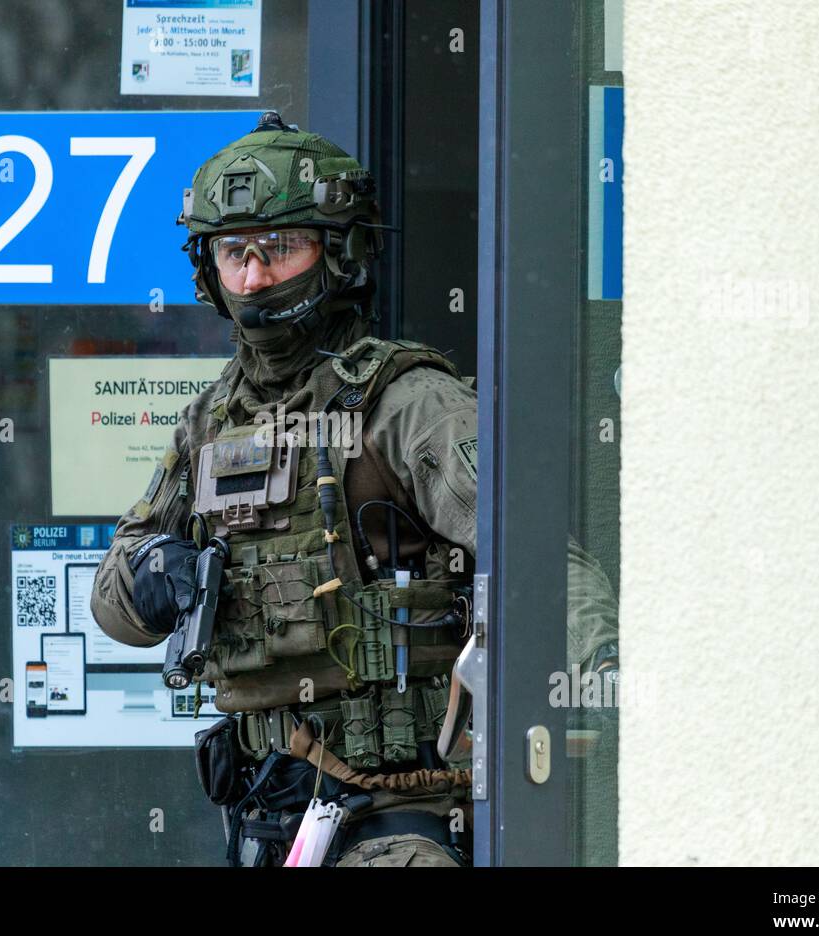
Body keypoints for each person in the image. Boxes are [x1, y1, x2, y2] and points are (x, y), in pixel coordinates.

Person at [91, 112, 618, 867]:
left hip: (401, 811)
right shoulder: (211, 421)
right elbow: (117, 603)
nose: (254, 277)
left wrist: (599, 667)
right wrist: (149, 577)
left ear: (339, 253)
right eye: (232, 252)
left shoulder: (408, 404)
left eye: (278, 248)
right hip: (267, 812)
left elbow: (537, 553)